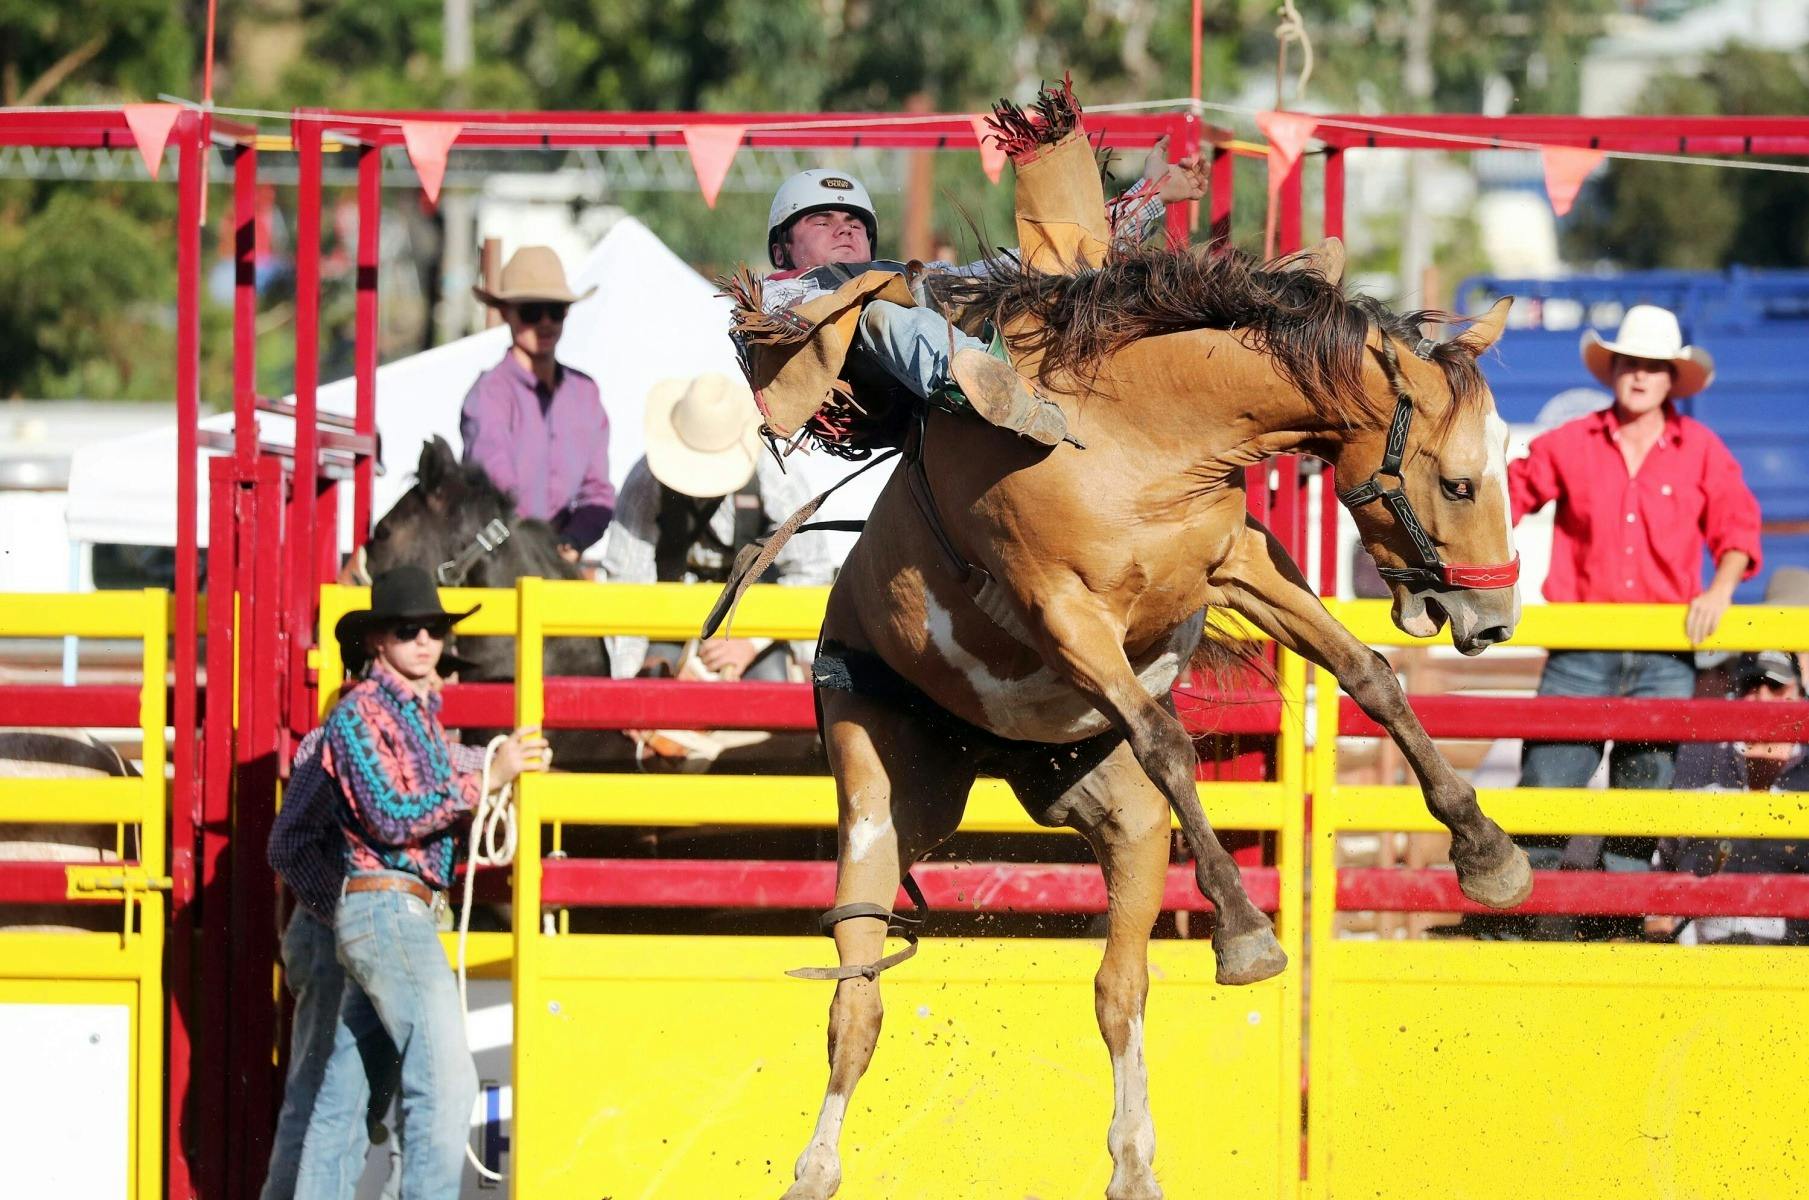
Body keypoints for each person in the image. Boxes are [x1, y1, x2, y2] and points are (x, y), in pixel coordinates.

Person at [292, 567, 548, 1199]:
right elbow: (389, 813)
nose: (427, 642)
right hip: (386, 907)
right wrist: (488, 780)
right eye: (410, 631)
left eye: (434, 629)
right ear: (380, 640)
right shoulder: (358, 713)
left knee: (344, 1094)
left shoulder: (414, 716)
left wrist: (497, 766)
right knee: (445, 1082)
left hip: (388, 911)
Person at [1507, 303, 1763, 885]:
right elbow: (1505, 501)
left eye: (1653, 365)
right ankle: (1520, 920)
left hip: (1663, 651)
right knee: (1546, 787)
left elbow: (1739, 526)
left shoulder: (1700, 449)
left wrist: (1721, 589)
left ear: (1672, 378)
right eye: (1630, 363)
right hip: (1580, 651)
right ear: (1614, 370)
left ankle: (1616, 921)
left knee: (1642, 797)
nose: (1640, 375)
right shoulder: (1569, 443)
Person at [755, 139, 1209, 447]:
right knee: (882, 317)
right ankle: (978, 383)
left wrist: (1149, 195)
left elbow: (1021, 262)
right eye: (822, 222)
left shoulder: (900, 275)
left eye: (854, 223)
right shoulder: (775, 296)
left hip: (933, 323)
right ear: (781, 249)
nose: (844, 229)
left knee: (1030, 269)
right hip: (868, 376)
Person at [261, 644, 480, 1200]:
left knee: (341, 1091)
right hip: (345, 922)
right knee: (328, 1093)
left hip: (360, 923)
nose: (446, 680)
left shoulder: (403, 737)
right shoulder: (339, 734)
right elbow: (288, 844)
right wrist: (342, 911)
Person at [598, 373, 832, 682]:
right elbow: (626, 580)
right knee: (652, 677)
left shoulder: (775, 476)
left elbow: (811, 570)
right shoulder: (646, 481)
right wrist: (629, 685)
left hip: (754, 619)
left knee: (773, 688)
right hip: (668, 619)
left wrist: (753, 640)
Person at [460, 245, 614, 563]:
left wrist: (571, 543)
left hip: (560, 560)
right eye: (531, 311)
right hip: (497, 562)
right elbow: (495, 489)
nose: (545, 322)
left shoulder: (585, 393)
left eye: (554, 310)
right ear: (505, 313)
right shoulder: (489, 394)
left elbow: (597, 491)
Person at [1650, 649, 1809, 946]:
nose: (1762, 698)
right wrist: (1655, 915)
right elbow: (1663, 852)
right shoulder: (1698, 758)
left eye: (1776, 686)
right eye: (1751, 685)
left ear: (1801, 694)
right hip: (1698, 953)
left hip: (1792, 958)